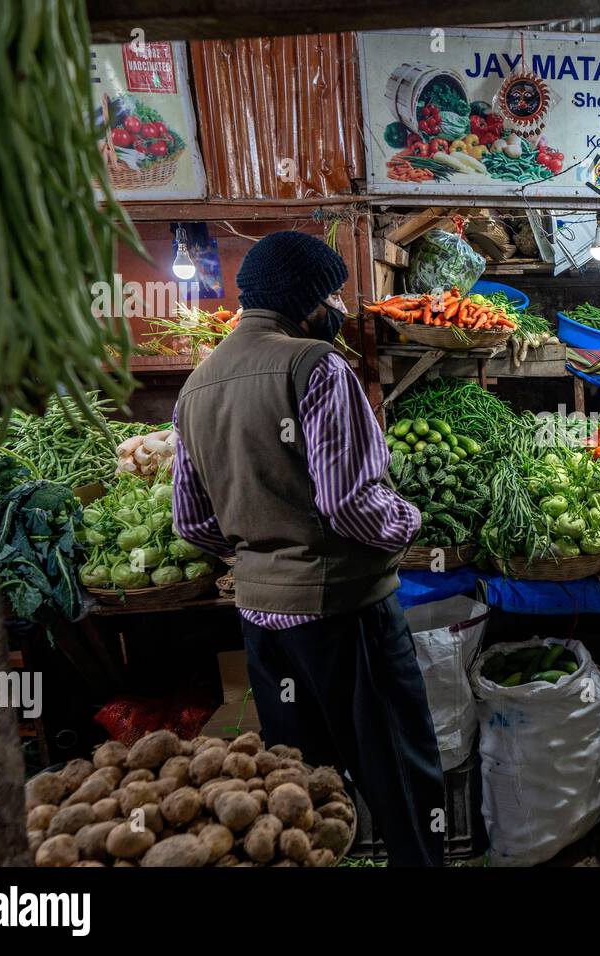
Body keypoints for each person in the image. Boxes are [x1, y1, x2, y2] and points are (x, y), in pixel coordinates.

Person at [171, 230, 444, 866]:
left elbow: (192, 520)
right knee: (399, 772)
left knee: (305, 789)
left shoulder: (196, 387)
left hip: (263, 625)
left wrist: (258, 552)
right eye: (334, 296)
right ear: (311, 301)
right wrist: (409, 521)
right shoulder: (315, 368)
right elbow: (350, 503)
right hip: (345, 615)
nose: (338, 311)